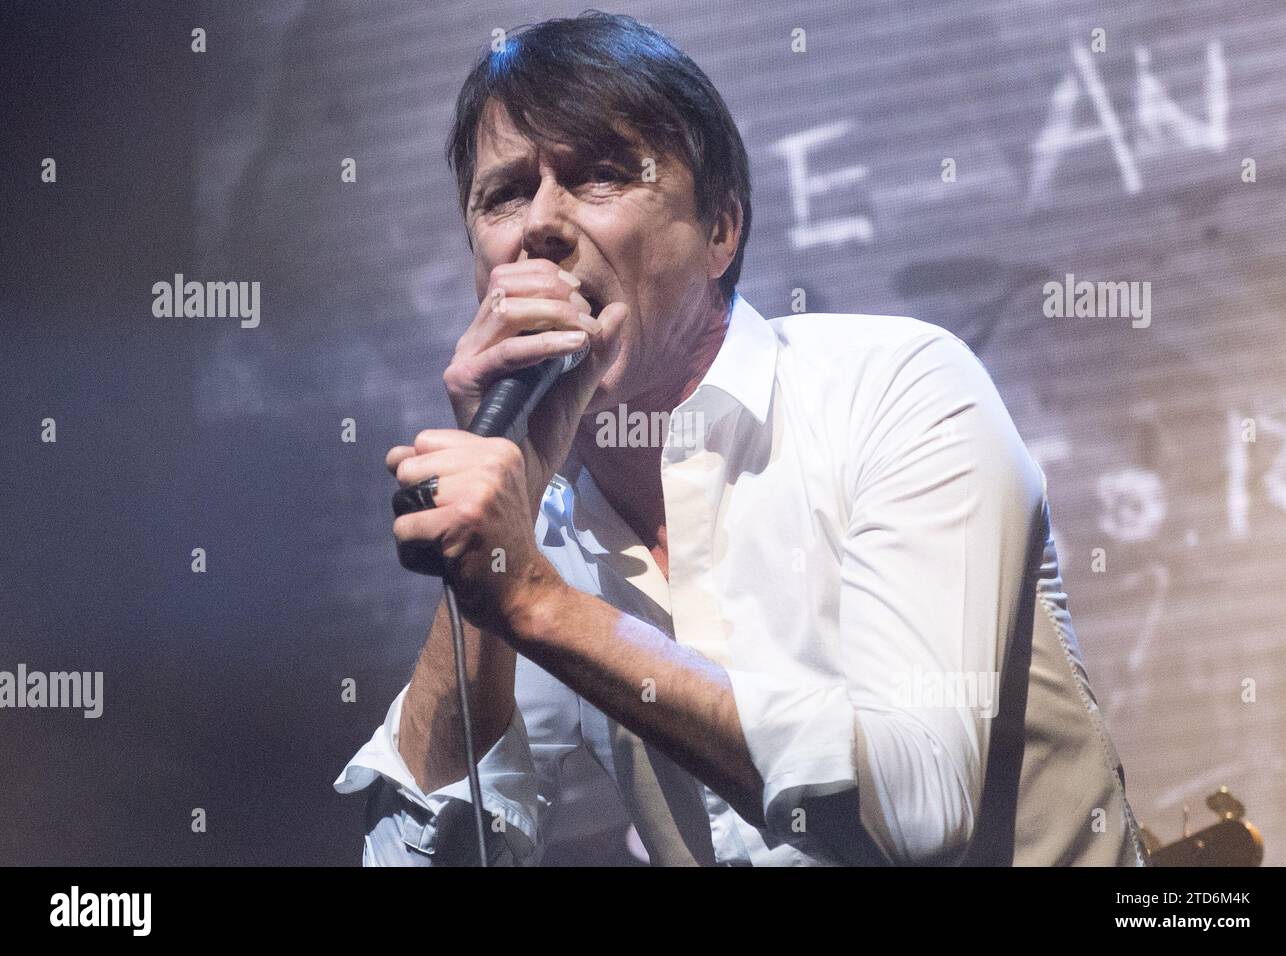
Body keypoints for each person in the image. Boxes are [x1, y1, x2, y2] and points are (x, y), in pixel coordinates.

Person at [334, 10, 1147, 866]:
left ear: (721, 230)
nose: (540, 224)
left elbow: (919, 808)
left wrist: (539, 603)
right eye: (504, 194)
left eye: (602, 175)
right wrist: (488, 574)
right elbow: (420, 859)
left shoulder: (898, 388)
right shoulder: (543, 536)